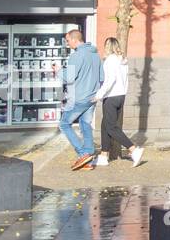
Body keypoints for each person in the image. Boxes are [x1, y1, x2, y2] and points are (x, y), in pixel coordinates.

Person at [92, 37, 144, 167]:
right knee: (105, 125)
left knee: (111, 127)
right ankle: (104, 156)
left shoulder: (110, 60)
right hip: (120, 96)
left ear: (107, 47)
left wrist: (99, 95)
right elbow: (124, 80)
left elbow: (110, 80)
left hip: (111, 96)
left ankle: (133, 150)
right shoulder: (123, 61)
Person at [59, 29, 103, 170]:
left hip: (78, 98)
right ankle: (88, 161)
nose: (67, 43)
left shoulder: (76, 55)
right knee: (85, 125)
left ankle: (83, 153)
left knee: (64, 124)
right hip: (92, 97)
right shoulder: (96, 55)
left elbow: (69, 77)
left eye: (68, 41)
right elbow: (102, 78)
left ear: (75, 39)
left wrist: (58, 71)